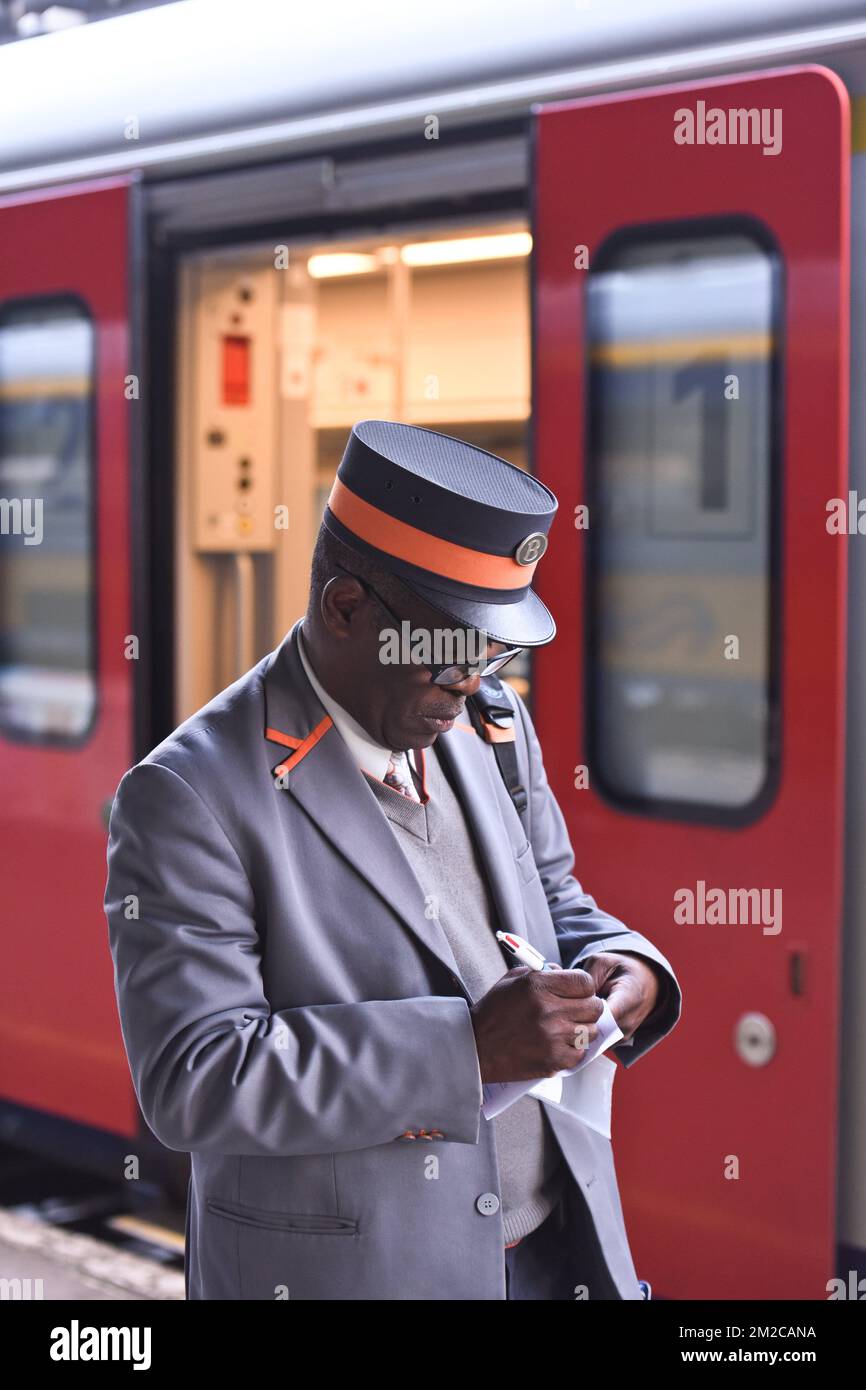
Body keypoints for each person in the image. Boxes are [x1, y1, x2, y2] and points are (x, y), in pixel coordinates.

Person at [104, 419, 682, 1300]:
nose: (478, 678)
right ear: (346, 606)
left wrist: (628, 966)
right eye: (454, 648)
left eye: (498, 651)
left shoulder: (489, 720)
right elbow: (196, 1078)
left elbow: (552, 899)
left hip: (552, 1256)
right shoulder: (189, 796)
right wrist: (464, 1050)